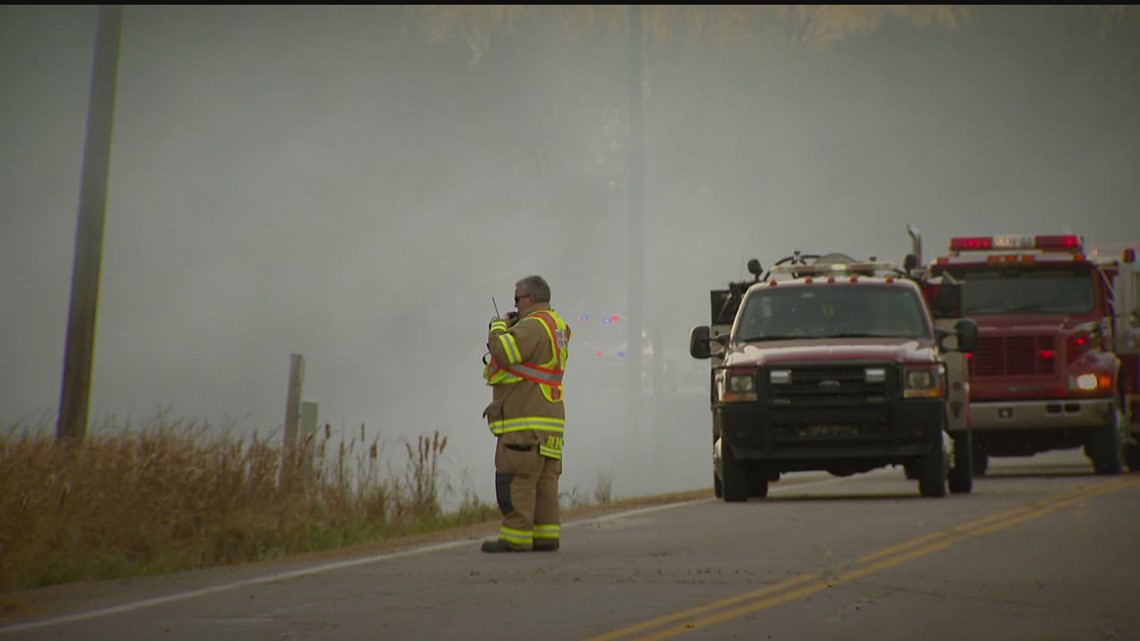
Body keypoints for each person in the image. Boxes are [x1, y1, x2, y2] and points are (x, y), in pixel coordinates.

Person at [481, 275, 572, 553]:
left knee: (517, 477)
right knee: (545, 482)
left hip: (525, 419)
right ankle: (546, 535)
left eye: (517, 300)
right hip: (550, 420)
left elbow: (504, 352)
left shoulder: (533, 326)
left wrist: (499, 327)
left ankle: (516, 537)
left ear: (531, 298)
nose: (515, 306)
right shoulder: (557, 325)